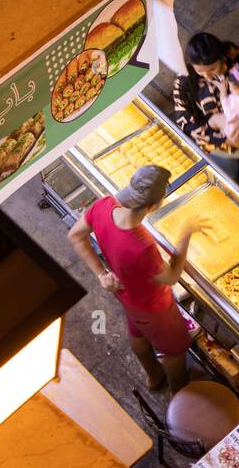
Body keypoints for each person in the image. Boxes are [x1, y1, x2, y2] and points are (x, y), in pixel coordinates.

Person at [68, 164, 196, 395]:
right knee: (175, 351)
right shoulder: (142, 246)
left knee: (137, 331)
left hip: (126, 295)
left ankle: (153, 377)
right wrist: (185, 239)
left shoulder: (103, 205)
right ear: (154, 206)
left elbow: (75, 236)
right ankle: (179, 393)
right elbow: (171, 277)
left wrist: (101, 274)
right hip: (154, 308)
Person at [172, 32, 239, 210]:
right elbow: (185, 121)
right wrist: (222, 138)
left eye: (212, 69)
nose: (207, 76)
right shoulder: (184, 80)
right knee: (222, 190)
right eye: (200, 71)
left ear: (222, 58)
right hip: (217, 150)